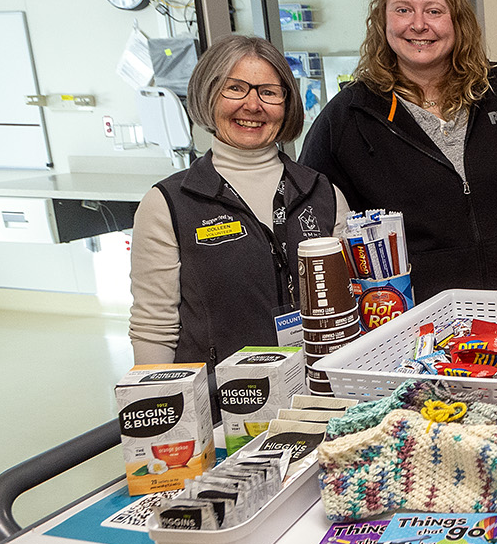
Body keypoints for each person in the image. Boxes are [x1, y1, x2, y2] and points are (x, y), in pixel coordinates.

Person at [300, 0, 497, 298]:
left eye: (434, 11)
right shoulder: (350, 115)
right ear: (382, 21)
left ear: (457, 21)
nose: (418, 25)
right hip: (416, 323)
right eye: (403, 10)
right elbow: (313, 213)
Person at [130, 34, 347, 366]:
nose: (253, 105)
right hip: (224, 404)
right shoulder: (168, 205)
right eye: (235, 88)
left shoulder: (323, 194)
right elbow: (154, 329)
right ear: (208, 94)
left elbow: (351, 305)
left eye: (269, 92)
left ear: (287, 104)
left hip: (318, 393)